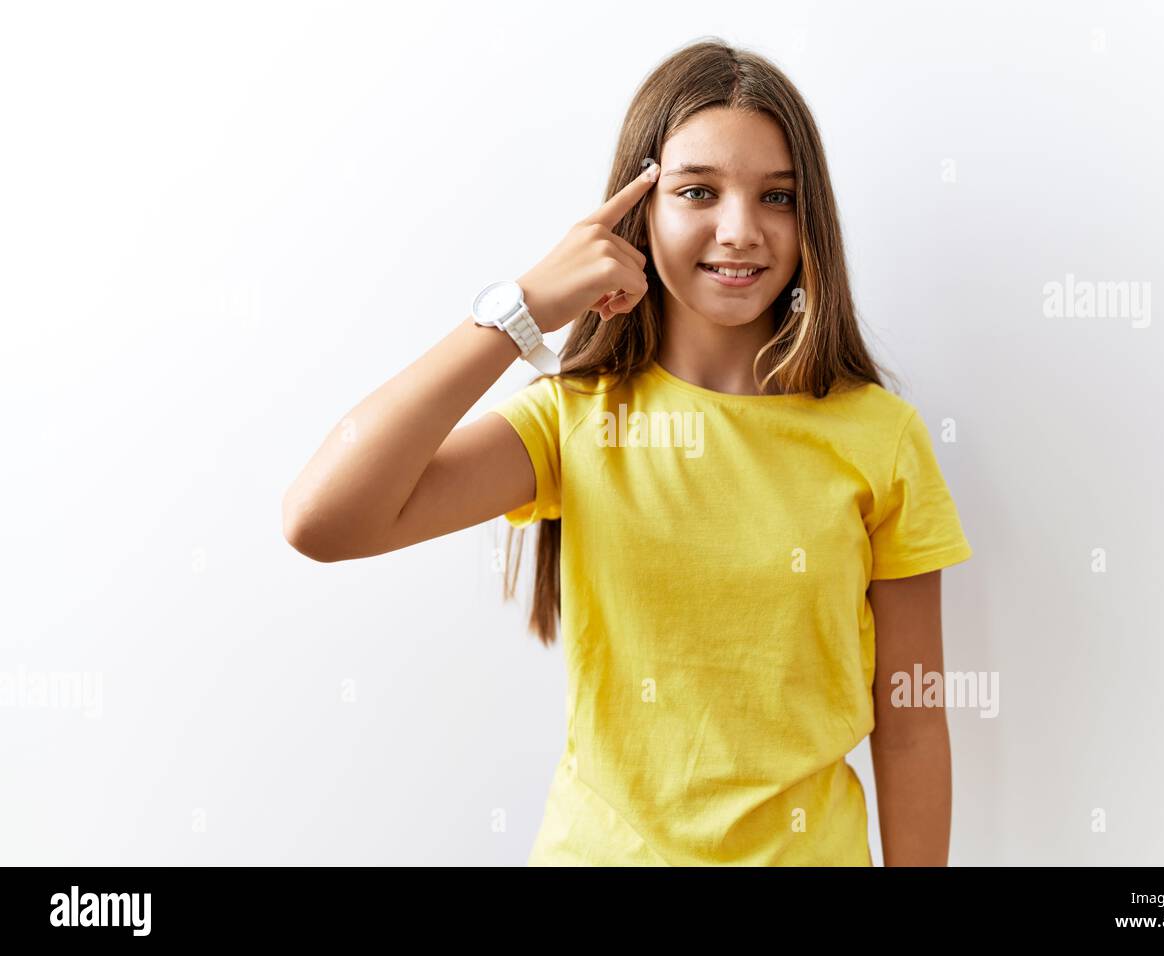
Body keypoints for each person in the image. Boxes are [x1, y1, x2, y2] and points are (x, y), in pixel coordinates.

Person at [282, 38, 973, 866]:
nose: (740, 230)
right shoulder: (574, 421)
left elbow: (910, 723)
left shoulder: (881, 438)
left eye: (778, 196)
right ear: (636, 212)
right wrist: (521, 310)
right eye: (697, 191)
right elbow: (322, 519)